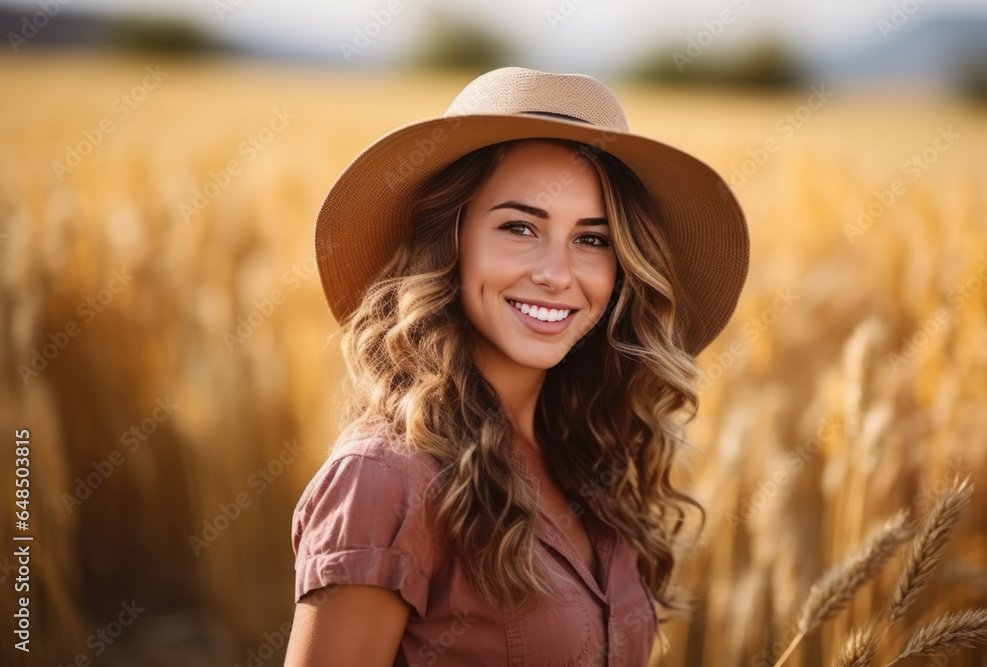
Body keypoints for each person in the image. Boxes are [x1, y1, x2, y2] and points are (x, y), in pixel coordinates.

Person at [284, 66, 750, 666]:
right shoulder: (384, 479)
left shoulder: (594, 456)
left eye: (592, 239)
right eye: (520, 227)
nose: (557, 274)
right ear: (448, 241)